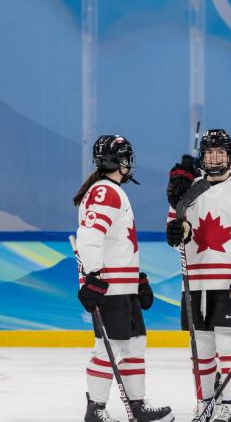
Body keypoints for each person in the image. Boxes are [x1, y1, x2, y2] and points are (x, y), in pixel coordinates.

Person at [165, 129, 231, 421]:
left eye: (220, 152)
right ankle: (205, 401)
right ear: (202, 156)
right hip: (196, 280)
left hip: (230, 280)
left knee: (229, 343)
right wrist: (175, 232)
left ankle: (229, 404)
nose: (214, 157)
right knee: (202, 349)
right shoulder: (189, 189)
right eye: (209, 152)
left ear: (229, 155)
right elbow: (178, 232)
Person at [74, 135, 173, 422]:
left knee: (134, 344)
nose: (130, 164)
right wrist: (92, 276)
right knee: (111, 348)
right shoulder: (106, 191)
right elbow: (90, 236)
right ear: (120, 161)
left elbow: (117, 243)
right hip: (109, 288)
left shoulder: (110, 190)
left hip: (121, 286)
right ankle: (96, 410)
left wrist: (136, 279)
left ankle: (137, 405)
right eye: (127, 158)